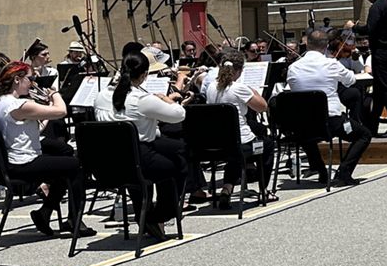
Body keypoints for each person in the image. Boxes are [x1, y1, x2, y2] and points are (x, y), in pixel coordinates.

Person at [0, 61, 94, 236]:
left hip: (18, 160)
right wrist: (54, 94)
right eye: (30, 78)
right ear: (17, 79)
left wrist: (45, 111)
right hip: (23, 162)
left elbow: (34, 130)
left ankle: (44, 213)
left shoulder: (3, 101)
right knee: (76, 165)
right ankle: (74, 220)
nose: (32, 83)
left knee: (62, 169)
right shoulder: (20, 105)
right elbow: (62, 111)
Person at [93, 50, 188, 239]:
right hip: (138, 158)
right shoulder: (141, 99)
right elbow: (179, 115)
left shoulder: (101, 97)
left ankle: (142, 215)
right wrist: (167, 100)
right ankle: (158, 216)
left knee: (162, 153)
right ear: (144, 75)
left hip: (107, 162)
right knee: (178, 165)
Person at [286, 29, 371, 186]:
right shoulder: (331, 64)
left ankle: (321, 171)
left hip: (302, 123)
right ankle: (344, 173)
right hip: (330, 122)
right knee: (364, 135)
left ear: (307, 45)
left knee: (306, 135)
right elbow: (351, 80)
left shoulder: (293, 67)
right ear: (326, 46)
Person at [205, 51, 277, 208]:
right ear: (239, 70)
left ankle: (227, 188)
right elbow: (262, 107)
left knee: (237, 151)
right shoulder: (239, 88)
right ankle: (264, 190)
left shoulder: (211, 87)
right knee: (268, 145)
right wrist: (254, 91)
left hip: (218, 142)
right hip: (241, 142)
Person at [347, 0, 387, 138]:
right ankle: (371, 127)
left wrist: (354, 27)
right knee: (379, 90)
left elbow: (369, 29)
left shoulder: (377, 7)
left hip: (381, 51)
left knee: (385, 89)